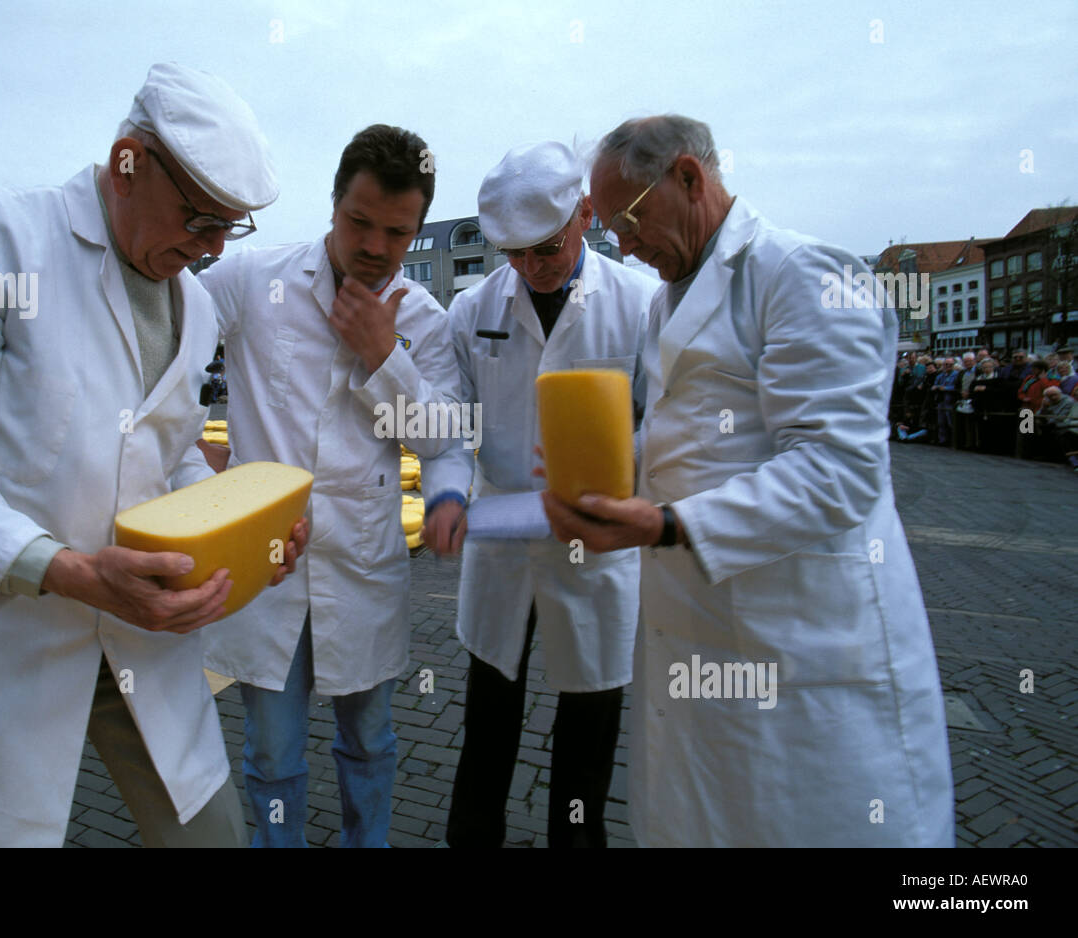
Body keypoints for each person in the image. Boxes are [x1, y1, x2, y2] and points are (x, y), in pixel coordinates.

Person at [0, 64, 307, 848]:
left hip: (139, 639)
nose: (211, 248)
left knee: (210, 839)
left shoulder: (198, 308)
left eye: (229, 227)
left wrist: (243, 533)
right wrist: (66, 569)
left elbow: (167, 458)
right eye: (199, 217)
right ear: (127, 161)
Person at [541, 113, 954, 846]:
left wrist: (670, 524)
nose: (624, 246)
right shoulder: (669, 295)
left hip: (800, 646)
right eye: (610, 231)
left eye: (628, 221)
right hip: (704, 644)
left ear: (691, 178)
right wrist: (607, 465)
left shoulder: (803, 273)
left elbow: (839, 471)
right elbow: (692, 437)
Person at [196, 123, 462, 848]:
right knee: (273, 750)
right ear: (333, 203)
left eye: (399, 233)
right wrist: (183, 448)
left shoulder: (423, 321)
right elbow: (165, 335)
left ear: (419, 229)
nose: (376, 247)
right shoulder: (254, 281)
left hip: (364, 567)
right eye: (359, 222)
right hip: (269, 569)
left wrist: (384, 356)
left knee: (370, 738)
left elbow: (441, 436)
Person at [420, 142, 660, 847]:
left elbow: (669, 424)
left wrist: (615, 460)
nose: (529, 269)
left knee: (587, 743)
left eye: (546, 249)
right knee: (487, 728)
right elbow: (450, 429)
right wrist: (444, 495)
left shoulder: (640, 305)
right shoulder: (471, 310)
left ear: (587, 214)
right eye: (512, 254)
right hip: (501, 547)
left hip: (597, 540)